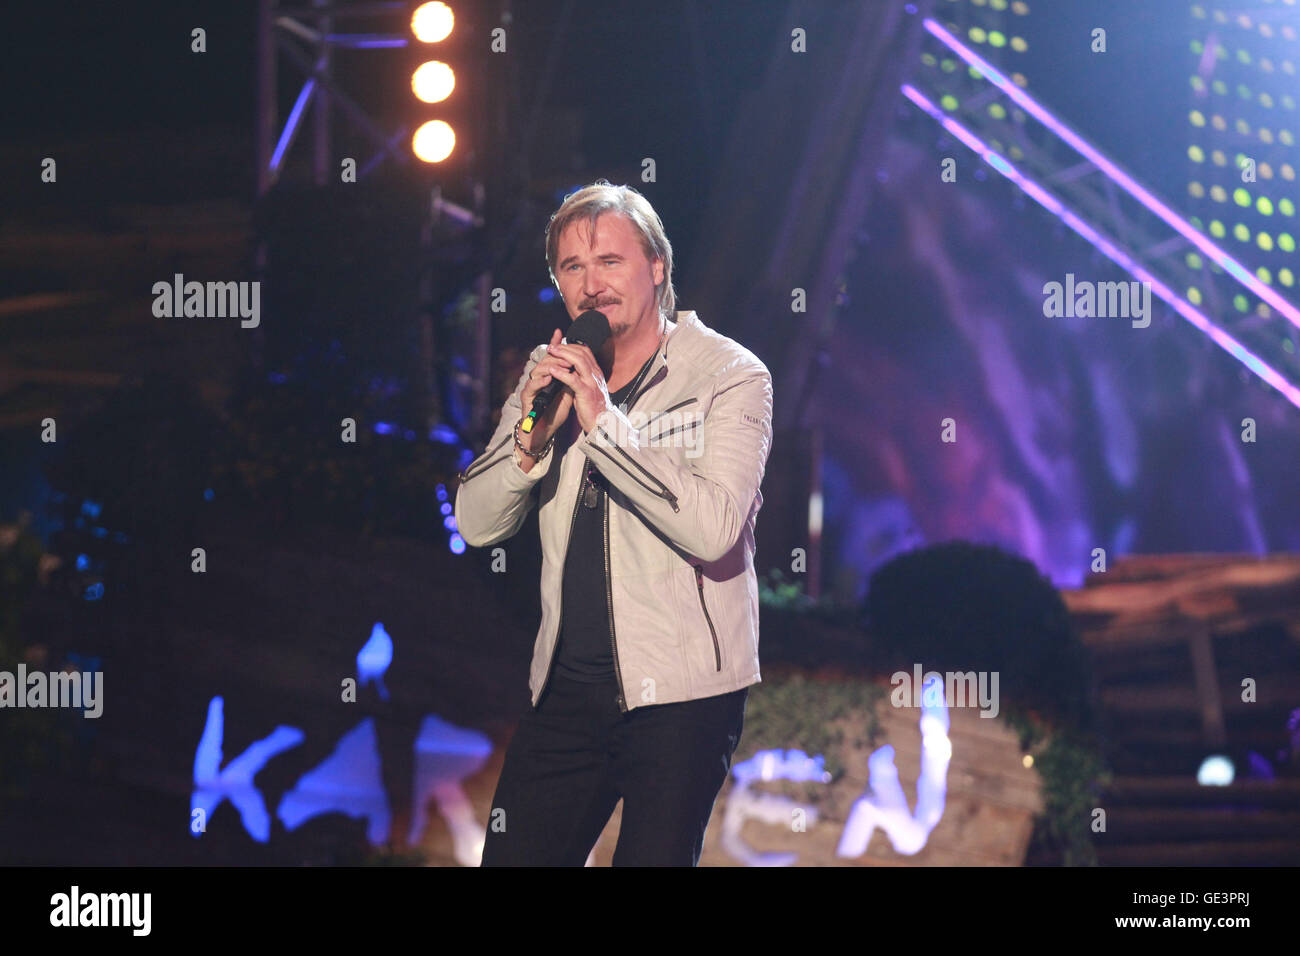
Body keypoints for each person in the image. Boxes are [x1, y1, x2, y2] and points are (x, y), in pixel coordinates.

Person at [454, 180, 774, 866]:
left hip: (682, 696)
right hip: (565, 691)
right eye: (572, 267)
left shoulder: (729, 375)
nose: (591, 284)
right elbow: (476, 524)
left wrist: (605, 424)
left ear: (657, 266)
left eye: (610, 261)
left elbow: (715, 528)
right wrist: (530, 442)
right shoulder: (554, 372)